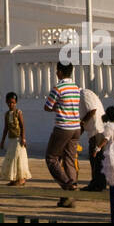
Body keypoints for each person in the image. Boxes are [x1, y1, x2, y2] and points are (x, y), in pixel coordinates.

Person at [43, 61, 82, 206]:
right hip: (76, 127)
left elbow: (47, 107)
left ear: (60, 71)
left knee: (51, 158)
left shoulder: (58, 88)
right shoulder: (76, 87)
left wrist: (57, 108)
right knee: (69, 159)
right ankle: (69, 196)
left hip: (63, 127)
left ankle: (68, 184)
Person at [0, 92, 31, 186]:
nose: (10, 104)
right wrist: (2, 141)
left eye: (12, 102)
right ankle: (13, 179)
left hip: (18, 139)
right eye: (9, 102)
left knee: (19, 159)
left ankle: (21, 179)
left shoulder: (18, 113)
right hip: (11, 140)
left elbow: (22, 126)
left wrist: (23, 138)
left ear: (15, 102)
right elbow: (6, 128)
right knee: (12, 159)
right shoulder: (7, 114)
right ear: (6, 102)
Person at [80, 85, 107, 192]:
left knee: (97, 158)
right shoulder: (82, 95)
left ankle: (97, 184)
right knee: (95, 158)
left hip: (97, 130)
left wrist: (82, 123)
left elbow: (92, 110)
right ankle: (97, 183)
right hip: (93, 131)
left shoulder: (84, 94)